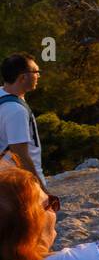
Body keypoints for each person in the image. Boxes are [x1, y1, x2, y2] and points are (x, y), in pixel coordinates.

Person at [0, 54, 45, 190]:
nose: (39, 76)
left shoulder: (2, 94)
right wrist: (41, 188)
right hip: (17, 183)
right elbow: (20, 155)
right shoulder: (16, 110)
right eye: (36, 72)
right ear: (23, 77)